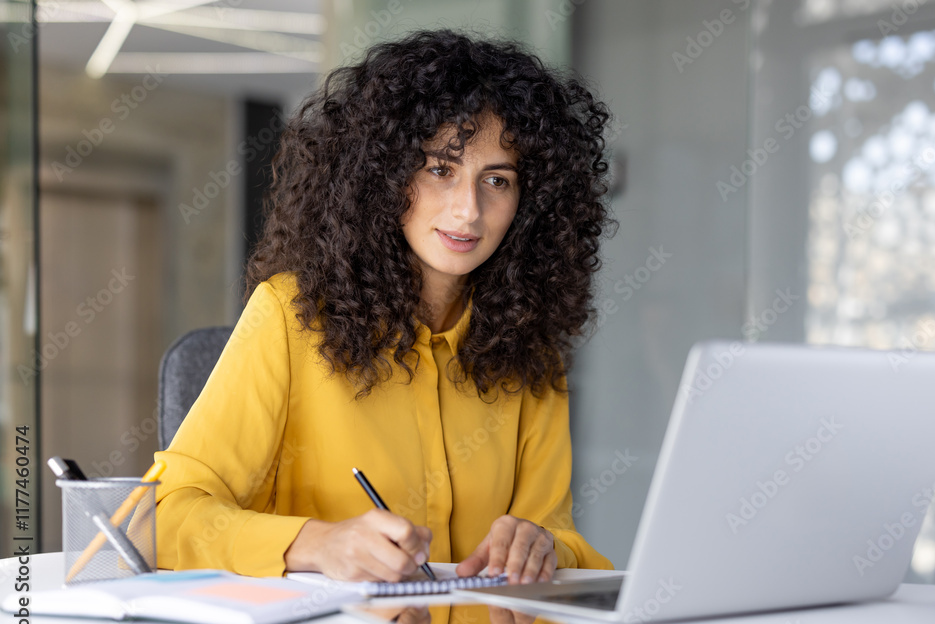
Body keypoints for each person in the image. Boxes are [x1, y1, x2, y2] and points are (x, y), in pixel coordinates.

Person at [153, 28, 618, 587]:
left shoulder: (531, 352)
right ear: (381, 175)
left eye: (497, 180)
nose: (468, 210)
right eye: (440, 169)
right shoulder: (288, 316)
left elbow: (557, 533)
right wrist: (317, 543)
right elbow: (162, 517)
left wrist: (543, 546)